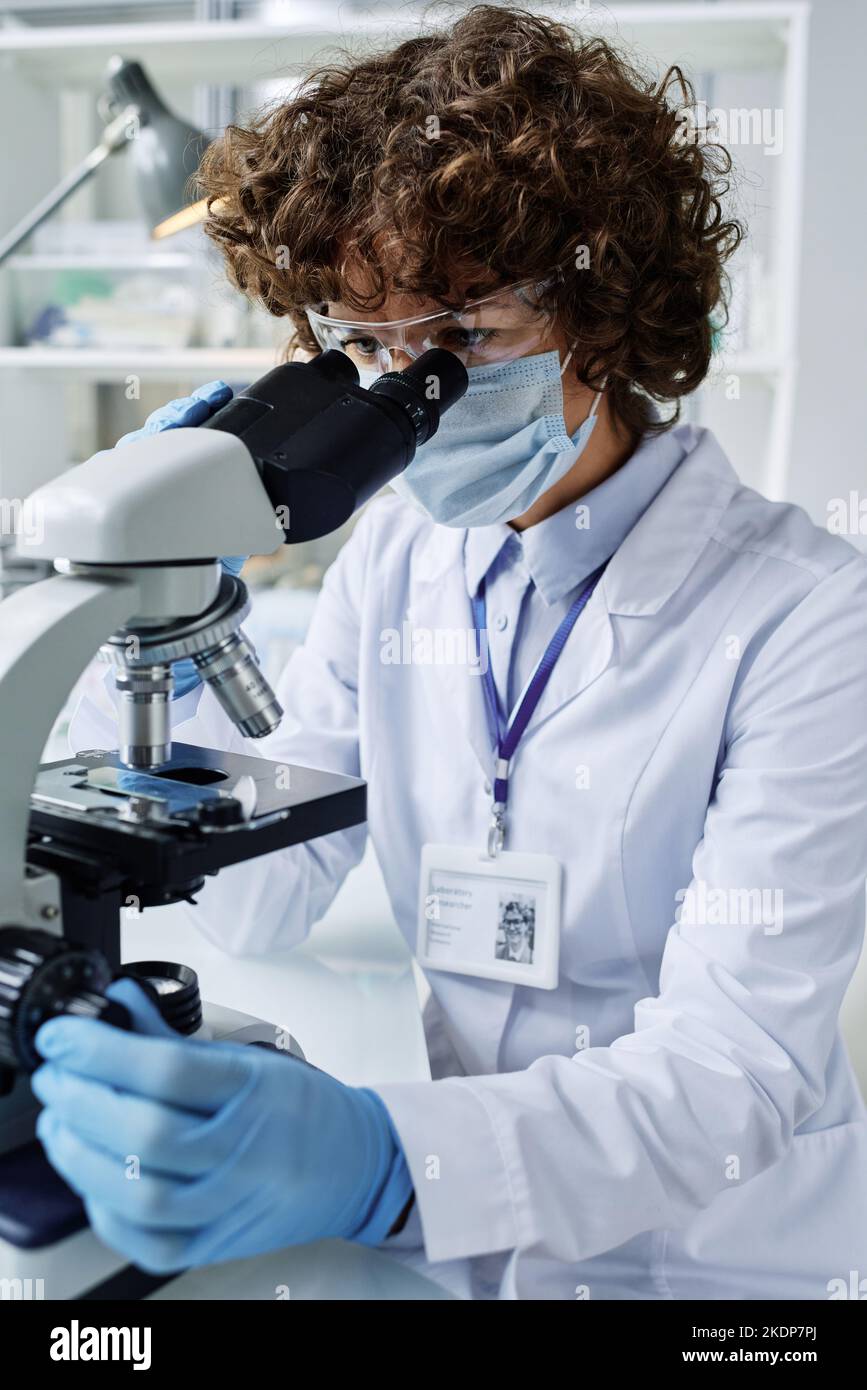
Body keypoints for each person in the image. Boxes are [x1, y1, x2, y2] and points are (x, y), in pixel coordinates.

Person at [33, 7, 867, 1301]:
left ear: (606, 314)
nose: (413, 392)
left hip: (723, 1269)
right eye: (372, 348)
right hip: (468, 1234)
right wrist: (172, 609)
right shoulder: (402, 559)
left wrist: (376, 1157)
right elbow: (265, 892)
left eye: (467, 342)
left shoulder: (811, 615)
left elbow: (732, 1066)